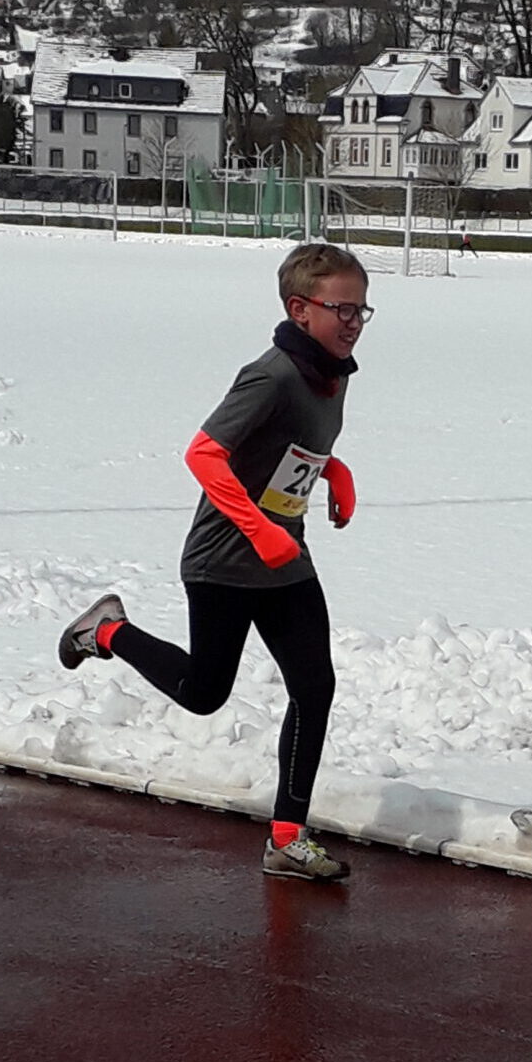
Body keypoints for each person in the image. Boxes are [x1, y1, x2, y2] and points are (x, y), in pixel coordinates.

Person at [59, 242, 368, 882]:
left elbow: (293, 448)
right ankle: (106, 630)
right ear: (298, 309)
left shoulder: (330, 375)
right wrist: (260, 530)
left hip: (284, 559)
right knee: (205, 694)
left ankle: (287, 838)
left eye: (362, 310)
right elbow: (204, 454)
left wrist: (335, 473)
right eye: (341, 308)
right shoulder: (272, 375)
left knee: (315, 687)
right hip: (224, 560)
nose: (352, 322)